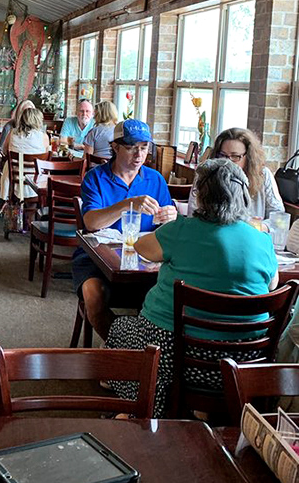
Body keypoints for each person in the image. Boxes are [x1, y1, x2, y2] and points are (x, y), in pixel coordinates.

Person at [107, 159, 279, 417]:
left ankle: (146, 407)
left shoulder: (181, 231)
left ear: (200, 197)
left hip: (178, 353)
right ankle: (207, 408)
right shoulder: (262, 240)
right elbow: (272, 285)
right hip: (243, 358)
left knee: (120, 330)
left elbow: (142, 247)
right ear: (242, 197)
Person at [73, 119, 177, 340]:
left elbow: (170, 225)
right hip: (97, 259)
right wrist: (127, 204)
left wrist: (172, 216)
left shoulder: (155, 179)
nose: (138, 155)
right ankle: (124, 351)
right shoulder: (96, 178)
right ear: (115, 147)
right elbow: (90, 222)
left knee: (173, 296)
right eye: (130, 148)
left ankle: (143, 353)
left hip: (145, 260)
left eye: (143, 148)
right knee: (94, 296)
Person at [187, 127, 283, 223]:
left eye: (235, 156)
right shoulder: (205, 174)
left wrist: (260, 226)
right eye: (222, 155)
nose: (227, 161)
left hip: (252, 234)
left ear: (248, 157)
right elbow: (193, 212)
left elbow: (279, 215)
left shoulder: (263, 175)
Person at [0, 102, 50, 200]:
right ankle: (33, 212)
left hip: (15, 180)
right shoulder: (44, 137)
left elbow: (5, 151)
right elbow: (46, 160)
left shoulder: (12, 133)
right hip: (36, 181)